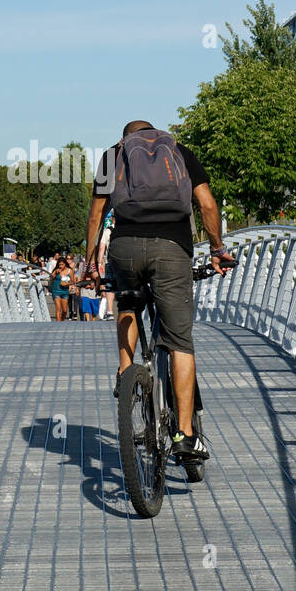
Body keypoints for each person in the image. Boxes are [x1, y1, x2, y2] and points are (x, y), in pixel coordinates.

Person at [84, 120, 232, 463]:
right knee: (180, 340)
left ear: (125, 140)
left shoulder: (113, 157)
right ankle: (184, 434)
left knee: (127, 303)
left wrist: (91, 264)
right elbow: (207, 205)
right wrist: (217, 248)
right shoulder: (180, 153)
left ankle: (125, 371)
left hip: (126, 248)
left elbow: (96, 217)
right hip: (172, 248)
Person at [50, 257, 75, 321]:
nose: (60, 266)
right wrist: (55, 273)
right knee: (58, 309)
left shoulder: (70, 271)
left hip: (65, 291)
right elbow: (51, 278)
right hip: (56, 291)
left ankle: (62, 321)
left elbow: (73, 281)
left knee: (64, 310)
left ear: (65, 264)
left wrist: (67, 284)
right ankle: (58, 325)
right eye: (59, 265)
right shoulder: (56, 270)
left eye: (62, 264)